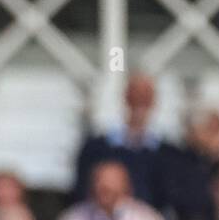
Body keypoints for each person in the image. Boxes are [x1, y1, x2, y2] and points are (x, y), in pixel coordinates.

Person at [72, 73, 170, 208]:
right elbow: (81, 193)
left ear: (153, 101)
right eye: (135, 95)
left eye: (145, 97)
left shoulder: (167, 155)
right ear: (126, 97)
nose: (139, 101)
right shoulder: (96, 149)